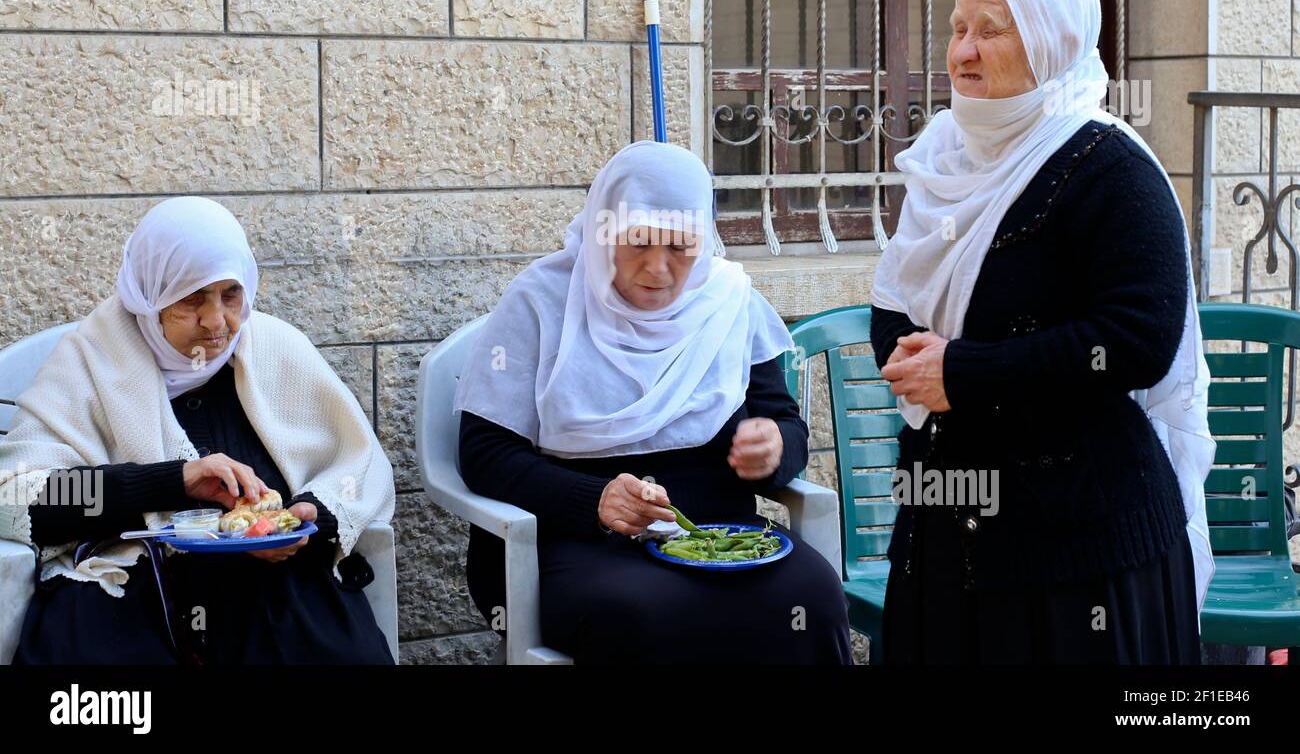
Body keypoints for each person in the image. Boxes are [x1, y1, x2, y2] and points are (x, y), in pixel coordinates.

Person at [869, 0, 1215, 664]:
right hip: (942, 516)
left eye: (992, 31)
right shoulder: (944, 155)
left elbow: (1138, 339)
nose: (963, 50)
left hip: (1079, 544)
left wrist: (965, 374)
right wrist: (908, 357)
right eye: (958, 27)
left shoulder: (1111, 168)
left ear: (1053, 41)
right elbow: (897, 300)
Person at [454, 141, 852, 664]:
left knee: (813, 599)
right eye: (638, 242)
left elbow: (784, 423)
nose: (659, 269)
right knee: (648, 615)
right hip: (572, 543)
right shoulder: (542, 303)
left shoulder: (728, 303)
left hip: (716, 538)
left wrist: (774, 450)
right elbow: (484, 453)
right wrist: (593, 500)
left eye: (681, 246)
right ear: (604, 230)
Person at [0, 196, 396, 664]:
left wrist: (303, 520)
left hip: (277, 591)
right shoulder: (89, 363)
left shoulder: (278, 350)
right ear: (150, 295)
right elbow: (20, 498)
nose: (216, 322)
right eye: (191, 298)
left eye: (231, 294)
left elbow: (360, 464)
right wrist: (174, 481)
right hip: (135, 591)